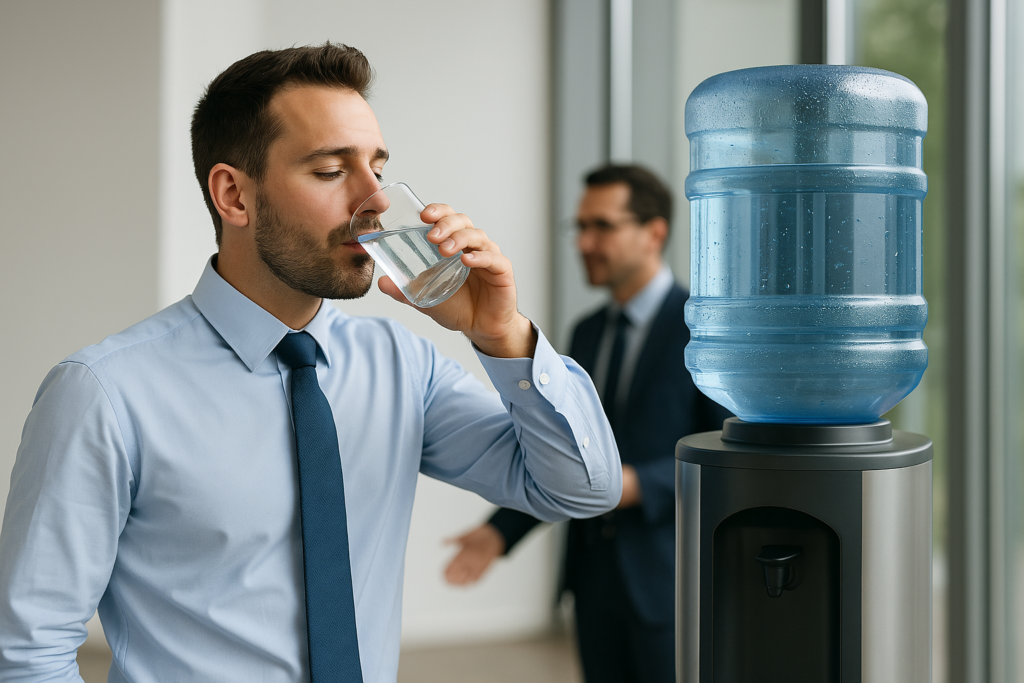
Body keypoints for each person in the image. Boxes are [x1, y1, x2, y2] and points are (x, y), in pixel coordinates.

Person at [0, 44, 622, 683]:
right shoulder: (104, 393)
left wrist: (505, 336)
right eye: (330, 171)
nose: (375, 200)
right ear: (233, 196)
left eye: (378, 168)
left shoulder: (402, 366)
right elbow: (28, 651)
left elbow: (580, 489)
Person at [444, 164, 731, 683]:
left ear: (655, 233)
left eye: (602, 226)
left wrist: (640, 485)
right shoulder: (587, 331)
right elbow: (559, 446)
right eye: (580, 227)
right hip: (594, 584)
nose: (585, 242)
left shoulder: (705, 331)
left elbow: (733, 455)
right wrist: (499, 531)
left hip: (672, 584)